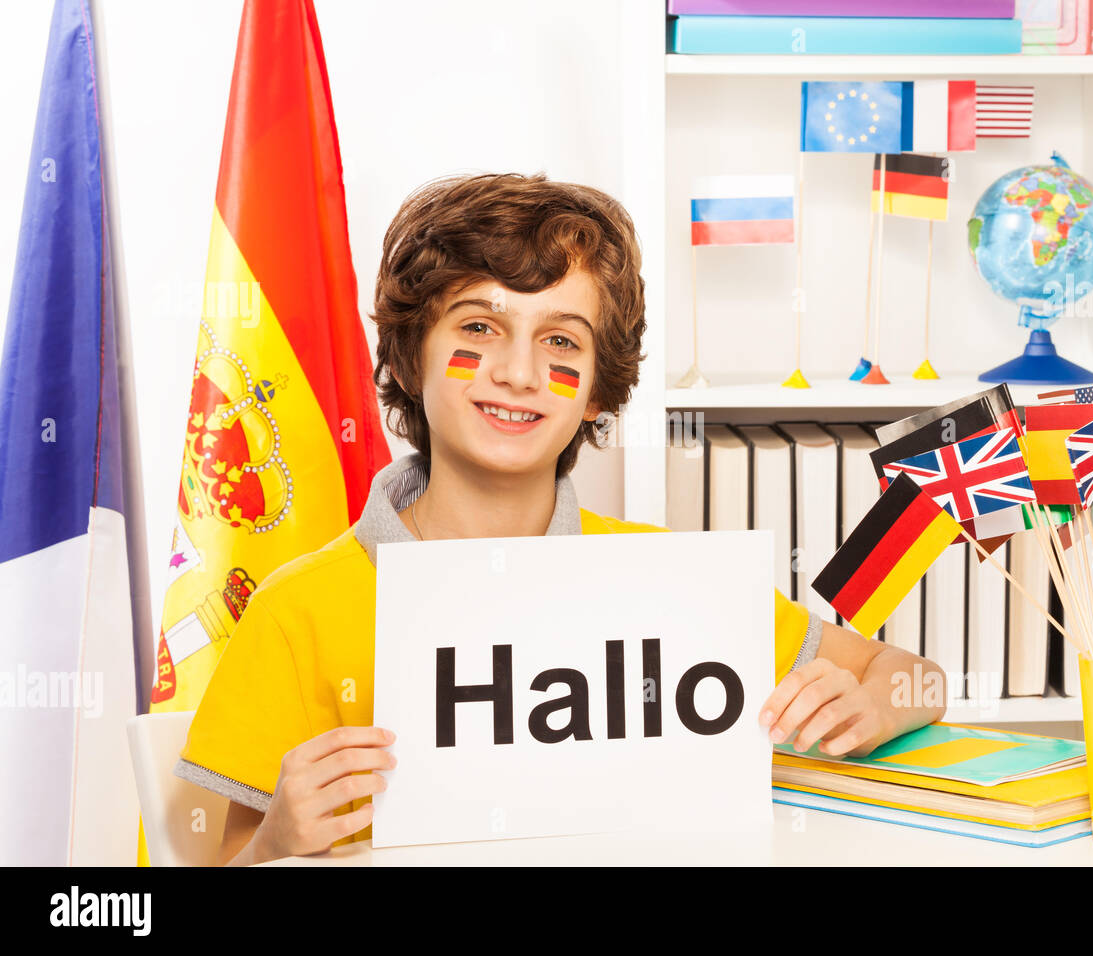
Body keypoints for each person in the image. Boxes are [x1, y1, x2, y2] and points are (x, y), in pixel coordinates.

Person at [176, 172, 947, 866]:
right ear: (410, 356)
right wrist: (276, 840)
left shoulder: (673, 584)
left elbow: (916, 679)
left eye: (560, 341)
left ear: (598, 391)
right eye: (478, 328)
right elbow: (220, 851)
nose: (518, 372)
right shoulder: (298, 607)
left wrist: (875, 702)